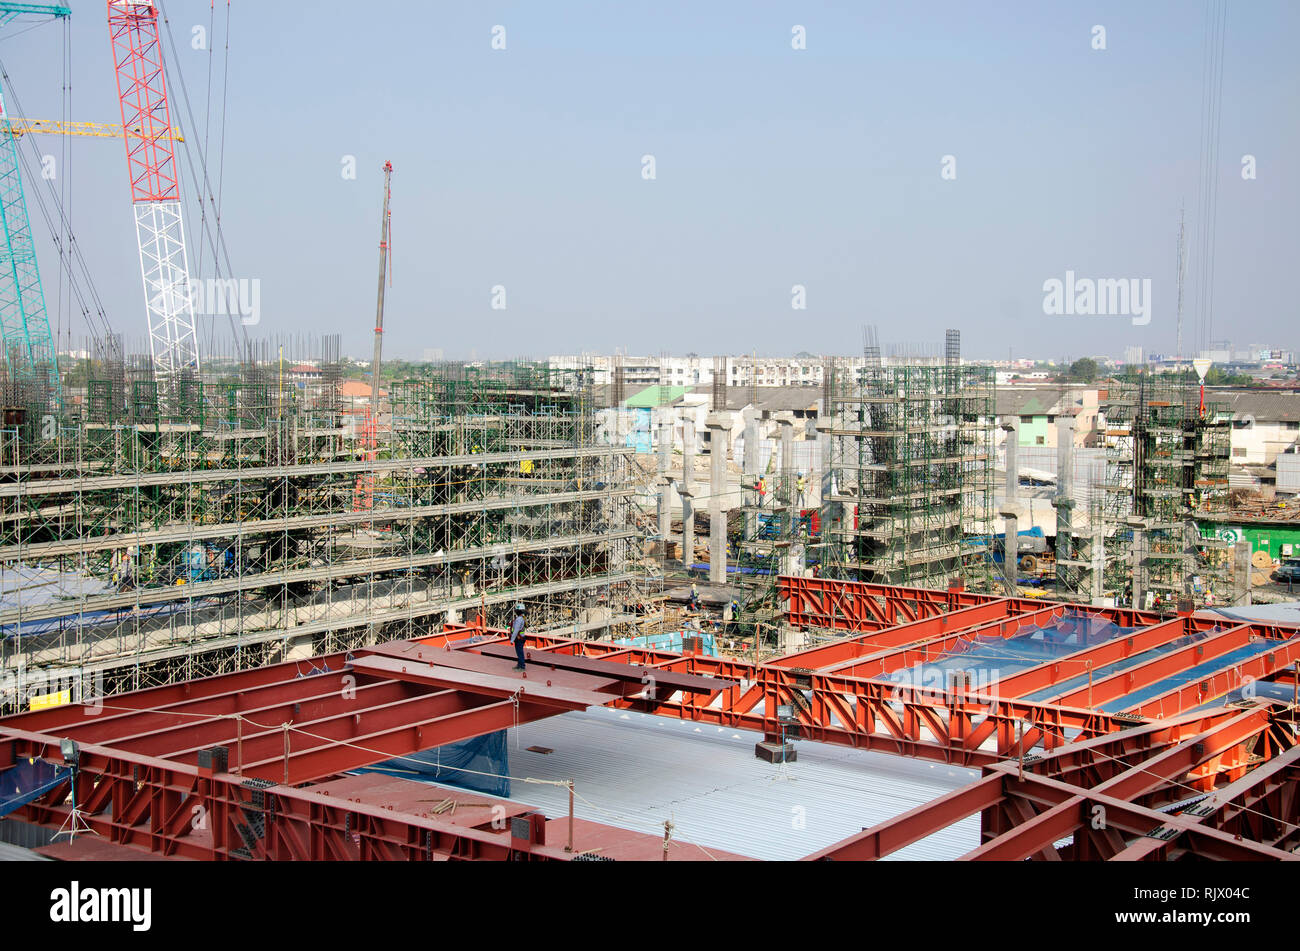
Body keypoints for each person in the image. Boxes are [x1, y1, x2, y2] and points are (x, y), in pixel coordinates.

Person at [510, 602, 528, 670]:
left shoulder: (518, 620)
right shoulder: (521, 618)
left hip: (519, 638)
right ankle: (519, 665)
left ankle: (522, 666)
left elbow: (516, 630)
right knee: (519, 652)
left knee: (519, 652)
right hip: (521, 637)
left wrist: (512, 639)